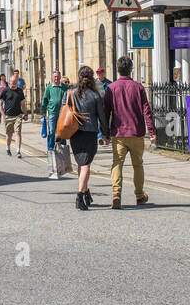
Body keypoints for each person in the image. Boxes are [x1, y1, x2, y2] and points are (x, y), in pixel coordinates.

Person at [103, 55, 156, 209]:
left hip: (118, 134)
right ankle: (139, 196)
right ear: (131, 70)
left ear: (117, 70)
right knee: (138, 165)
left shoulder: (111, 88)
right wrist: (151, 131)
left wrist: (105, 133)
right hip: (136, 133)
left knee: (117, 164)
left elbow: (106, 112)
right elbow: (147, 110)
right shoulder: (138, 87)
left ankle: (116, 194)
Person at [67, 66, 110, 210]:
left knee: (81, 163)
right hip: (90, 132)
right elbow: (102, 116)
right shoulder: (95, 95)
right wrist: (105, 133)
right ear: (92, 78)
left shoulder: (71, 93)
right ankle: (80, 195)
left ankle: (85, 191)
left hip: (74, 133)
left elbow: (64, 112)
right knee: (85, 164)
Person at [40, 71, 69, 179]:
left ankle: (62, 150)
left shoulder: (64, 88)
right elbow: (45, 100)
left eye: (58, 77)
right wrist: (43, 111)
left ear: (60, 77)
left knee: (62, 133)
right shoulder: (49, 88)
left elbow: (68, 99)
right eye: (55, 77)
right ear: (52, 78)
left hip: (63, 114)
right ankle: (51, 149)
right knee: (52, 132)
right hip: (52, 113)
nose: (56, 78)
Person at [0, 70, 27, 158]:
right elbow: (0, 104)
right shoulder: (5, 91)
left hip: (18, 115)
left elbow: (23, 104)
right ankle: (8, 147)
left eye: (15, 82)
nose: (14, 84)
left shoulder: (20, 91)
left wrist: (25, 114)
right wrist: (3, 115)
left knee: (18, 132)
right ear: (9, 82)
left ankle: (18, 151)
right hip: (8, 116)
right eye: (12, 82)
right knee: (9, 135)